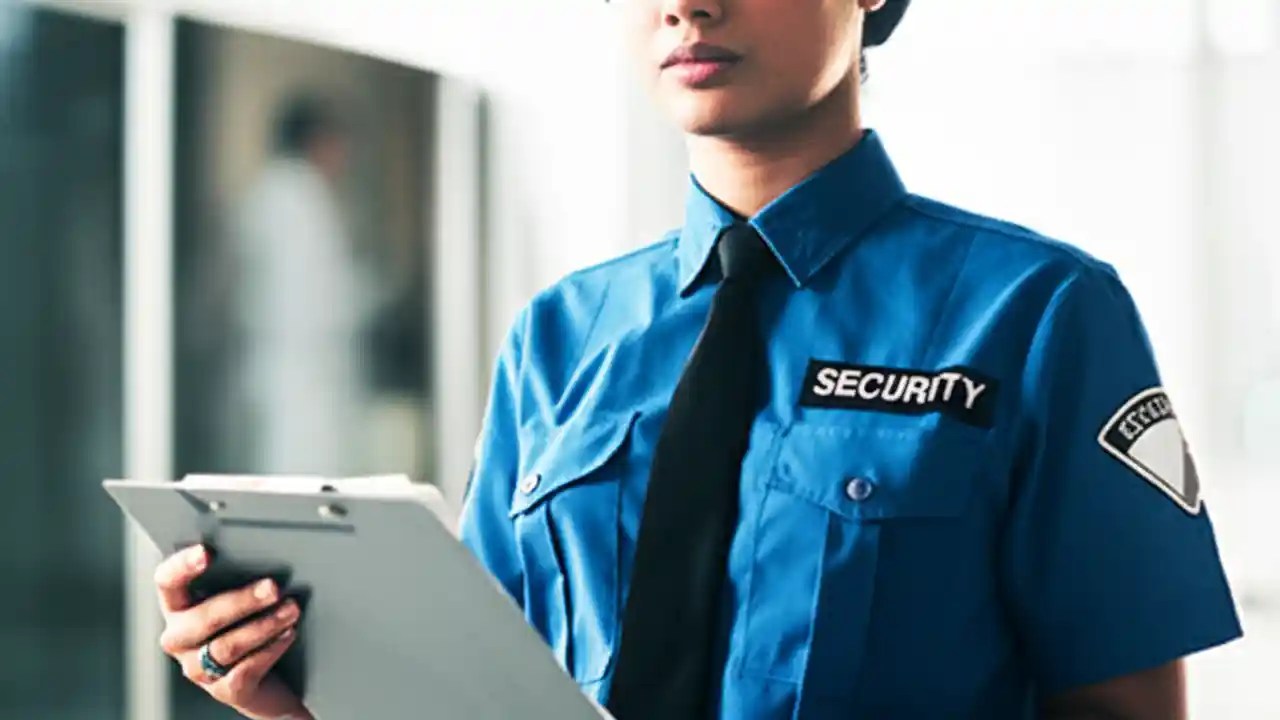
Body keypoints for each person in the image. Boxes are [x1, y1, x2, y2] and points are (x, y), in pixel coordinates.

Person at [152, 1, 1242, 718]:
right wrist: (287, 698)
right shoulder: (560, 335)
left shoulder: (1037, 312)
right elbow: (477, 695)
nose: (686, 0)